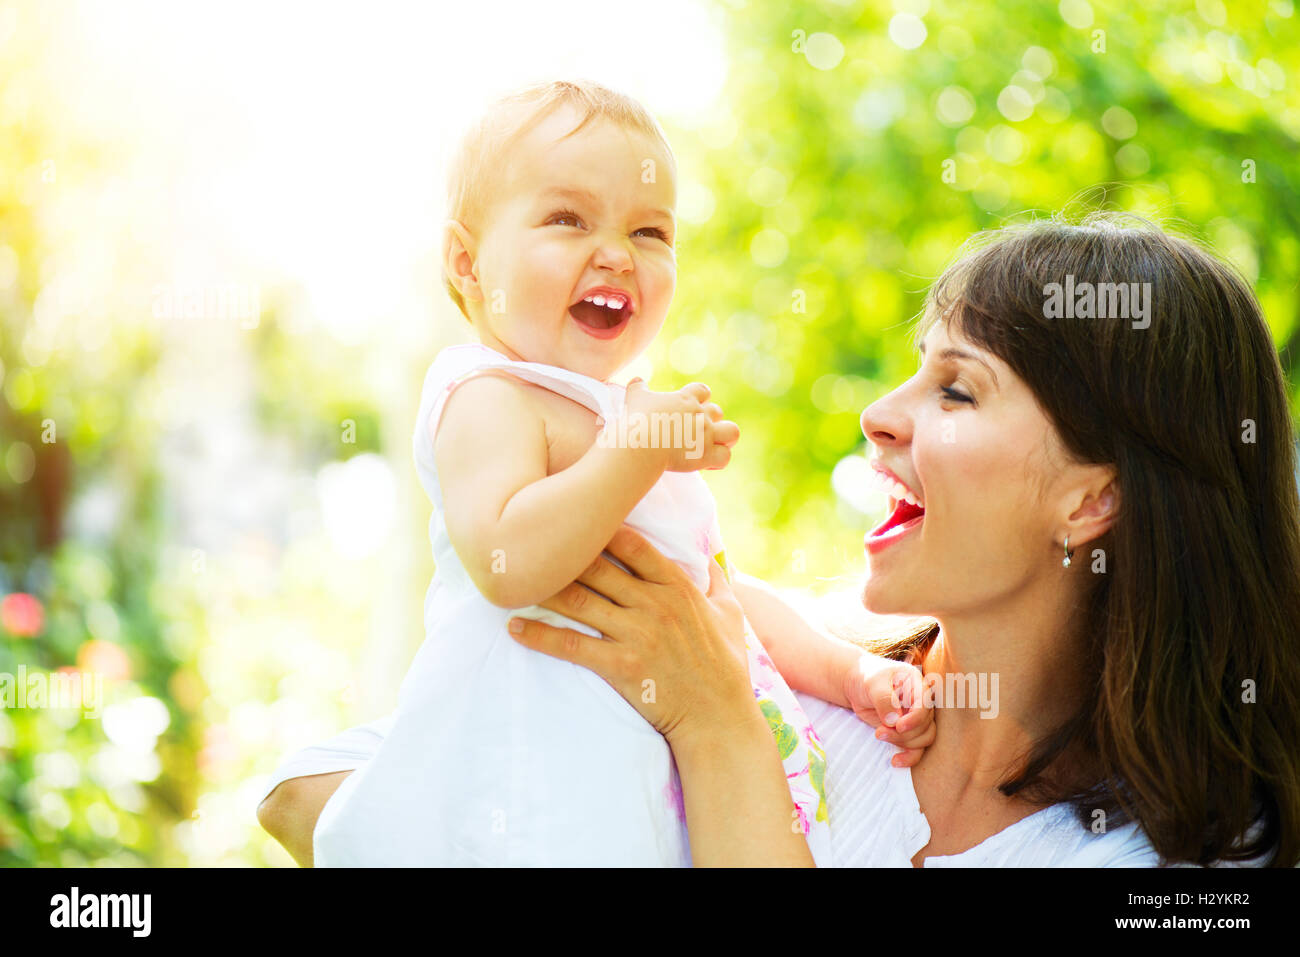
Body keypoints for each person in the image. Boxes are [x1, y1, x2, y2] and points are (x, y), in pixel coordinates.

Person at [261, 214, 1300, 867]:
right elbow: (303, 791)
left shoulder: (1193, 861)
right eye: (912, 369)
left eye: (956, 389)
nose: (880, 415)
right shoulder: (804, 673)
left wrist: (718, 732)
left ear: (1091, 503)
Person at [289, 79, 932, 867]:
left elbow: (716, 595)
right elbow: (508, 560)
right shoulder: (489, 396)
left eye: (650, 232)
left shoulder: (621, 415)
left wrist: (850, 671)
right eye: (567, 219)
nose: (616, 254)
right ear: (466, 261)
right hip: (536, 796)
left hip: (649, 794)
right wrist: (638, 450)